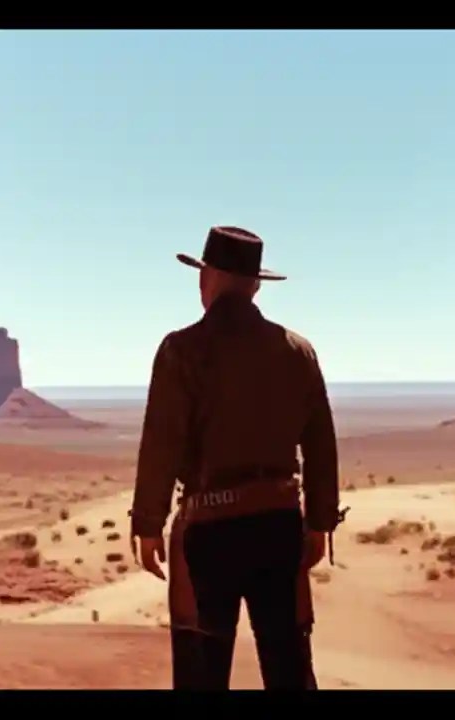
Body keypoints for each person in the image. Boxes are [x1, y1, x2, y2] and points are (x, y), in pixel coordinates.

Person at [130, 225, 343, 690]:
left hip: (210, 531)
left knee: (201, 673)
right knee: (289, 668)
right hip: (278, 527)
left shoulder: (181, 349)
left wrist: (147, 523)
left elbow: (162, 442)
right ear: (255, 286)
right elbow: (321, 444)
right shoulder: (297, 351)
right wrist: (320, 522)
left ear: (207, 276)